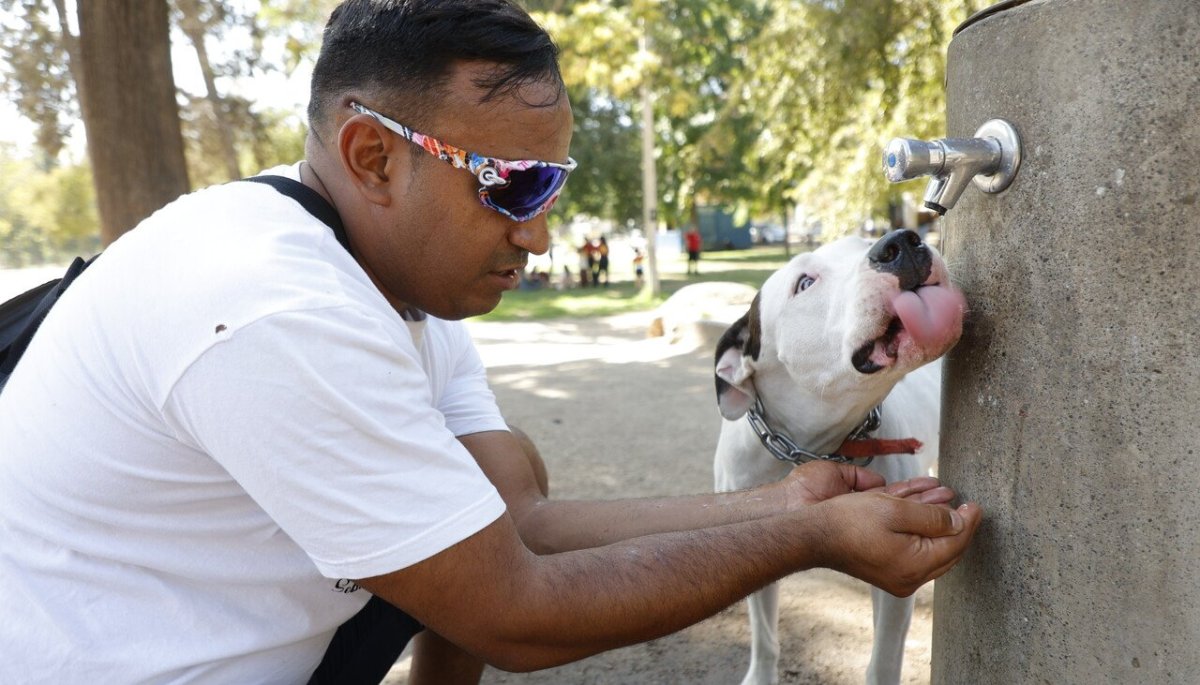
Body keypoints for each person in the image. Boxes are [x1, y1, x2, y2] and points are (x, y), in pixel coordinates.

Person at [0, 1, 982, 683]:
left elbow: (506, 519)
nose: (541, 233)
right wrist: (803, 535)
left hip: (278, 634)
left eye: (551, 187)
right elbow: (514, 608)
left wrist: (783, 498)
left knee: (506, 464)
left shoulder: (385, 276)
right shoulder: (276, 305)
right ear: (372, 155)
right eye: (512, 185)